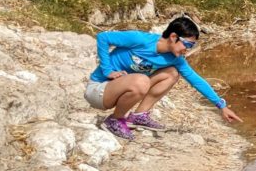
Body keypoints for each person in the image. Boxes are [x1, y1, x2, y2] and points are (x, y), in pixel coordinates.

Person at [85, 14, 240, 140]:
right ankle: (114, 120)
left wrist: (222, 106)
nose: (187, 50)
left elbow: (196, 80)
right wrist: (107, 70)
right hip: (99, 90)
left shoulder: (175, 59)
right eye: (187, 44)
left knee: (172, 73)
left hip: (125, 88)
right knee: (142, 80)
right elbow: (103, 37)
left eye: (192, 46)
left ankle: (138, 116)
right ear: (173, 37)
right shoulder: (141, 40)